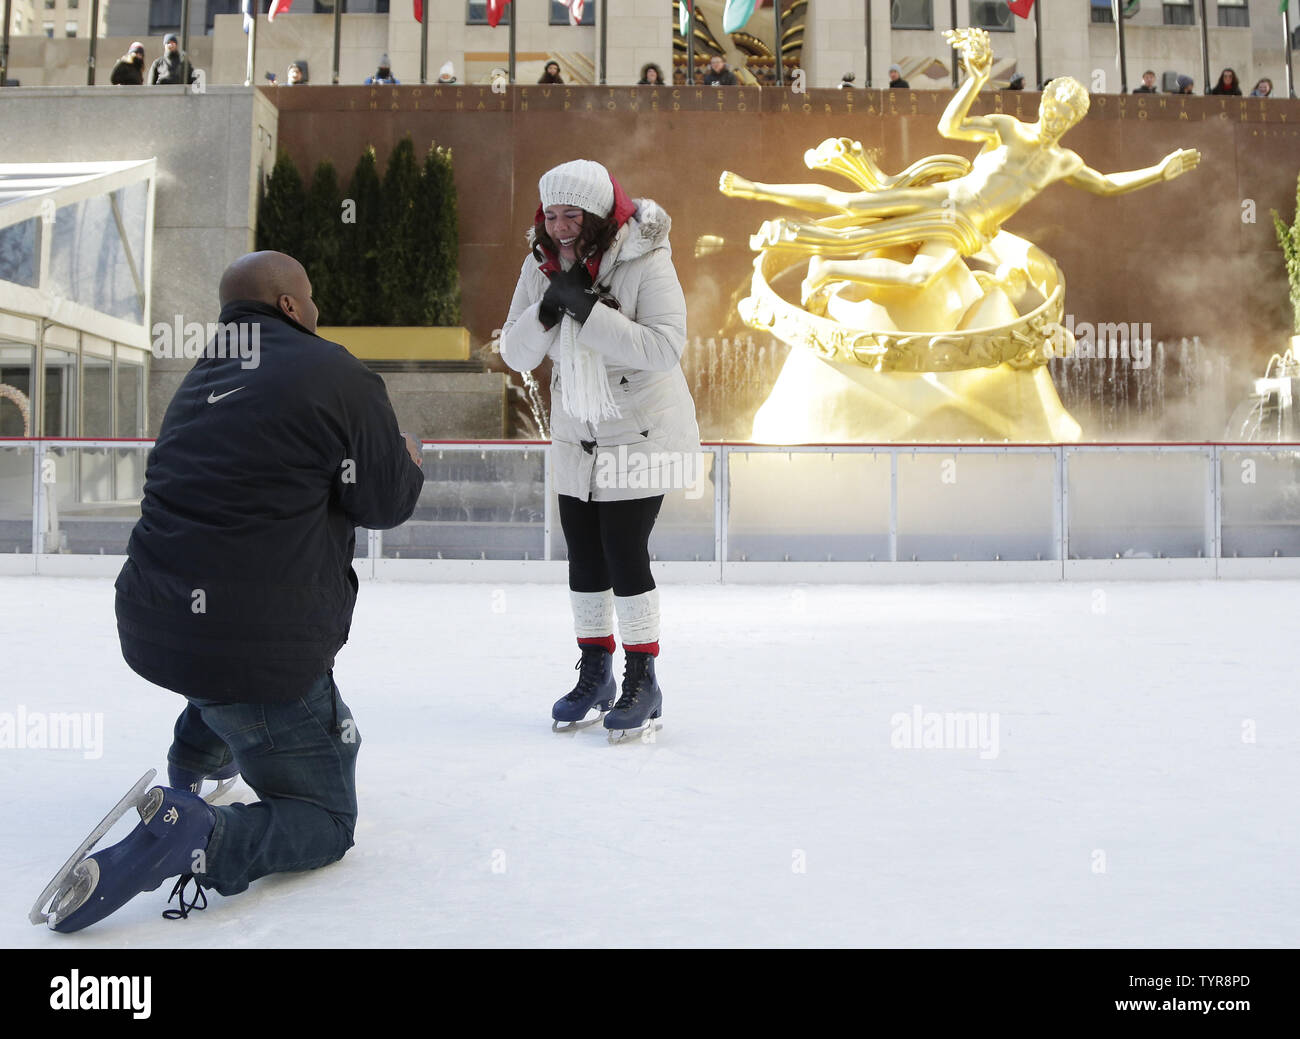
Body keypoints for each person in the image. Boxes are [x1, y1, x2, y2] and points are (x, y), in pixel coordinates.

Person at [43, 252, 425, 933]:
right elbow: (385, 499)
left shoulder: (200, 380)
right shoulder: (337, 372)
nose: (316, 311)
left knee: (226, 607)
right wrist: (410, 461)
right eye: (309, 299)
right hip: (253, 650)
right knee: (328, 819)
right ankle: (198, 833)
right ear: (286, 306)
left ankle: (194, 759)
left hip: (154, 624)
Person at [721, 28, 1200, 299]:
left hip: (969, 229)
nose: (1058, 119)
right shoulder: (1009, 128)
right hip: (948, 199)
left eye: (1068, 116)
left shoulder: (1062, 161)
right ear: (1044, 104)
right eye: (1055, 109)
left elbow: (1106, 185)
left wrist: (1159, 171)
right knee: (855, 203)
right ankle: (754, 188)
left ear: (1073, 121)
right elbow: (951, 127)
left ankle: (828, 271)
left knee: (917, 276)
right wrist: (974, 80)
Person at [499, 160, 699, 742]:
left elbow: (664, 349)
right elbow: (516, 353)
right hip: (576, 432)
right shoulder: (539, 265)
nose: (561, 227)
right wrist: (547, 307)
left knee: (623, 550)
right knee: (585, 555)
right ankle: (597, 674)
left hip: (639, 428)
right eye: (551, 215)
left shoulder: (646, 257)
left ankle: (643, 679)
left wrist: (587, 310)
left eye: (572, 215)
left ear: (599, 214)